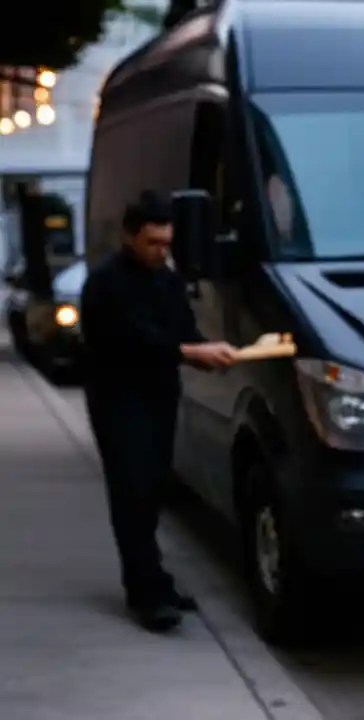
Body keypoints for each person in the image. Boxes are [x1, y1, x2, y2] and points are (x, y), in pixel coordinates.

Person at [80, 191, 239, 632]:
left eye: (166, 243)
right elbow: (132, 341)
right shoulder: (106, 283)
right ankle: (145, 592)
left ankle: (155, 580)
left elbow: (181, 329)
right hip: (118, 400)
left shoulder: (165, 280)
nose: (160, 251)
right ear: (129, 237)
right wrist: (190, 351)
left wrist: (208, 351)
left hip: (158, 397)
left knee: (152, 489)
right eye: (152, 242)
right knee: (131, 493)